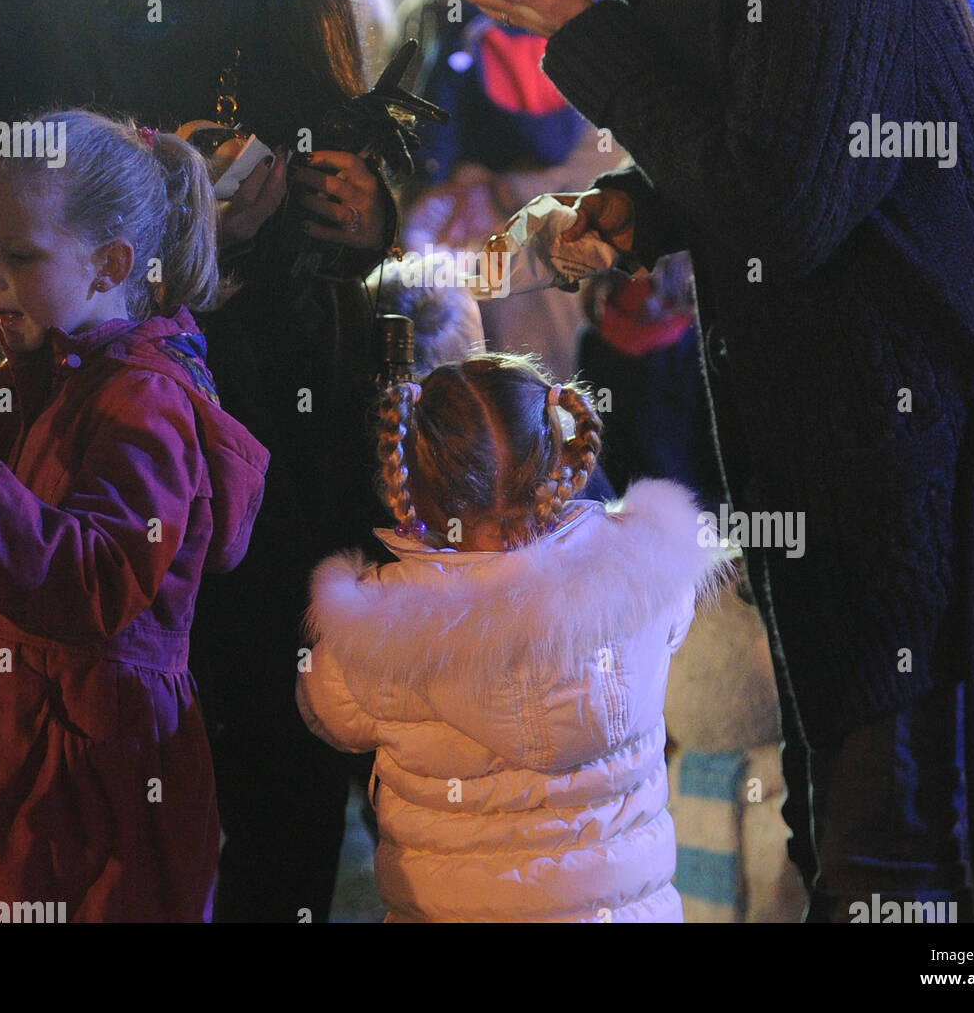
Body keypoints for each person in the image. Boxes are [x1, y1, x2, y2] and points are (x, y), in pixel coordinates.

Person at [416, 0, 974, 923]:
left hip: (924, 458)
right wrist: (628, 217)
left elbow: (790, 204)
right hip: (834, 464)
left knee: (895, 861)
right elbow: (761, 151)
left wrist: (591, 42)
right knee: (844, 849)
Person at [0, 0, 396, 921]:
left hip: (288, 423)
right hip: (104, 450)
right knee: (117, 764)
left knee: (288, 748)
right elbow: (6, 259)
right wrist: (171, 238)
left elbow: (356, 148)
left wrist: (363, 209)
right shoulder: (6, 11)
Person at [0, 111, 268, 922]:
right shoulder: (31, 375)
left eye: (20, 256)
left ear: (112, 262)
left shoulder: (144, 399)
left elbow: (99, 583)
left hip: (81, 764)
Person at [298, 353, 718, 922]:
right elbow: (674, 614)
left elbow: (326, 713)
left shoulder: (376, 626)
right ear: (557, 454)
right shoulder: (639, 573)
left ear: (414, 479)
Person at [387, 0, 598, 383]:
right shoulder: (431, 12)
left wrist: (505, 189)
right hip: (440, 282)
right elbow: (407, 143)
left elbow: (603, 153)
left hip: (531, 279)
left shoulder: (556, 2)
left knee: (529, 433)